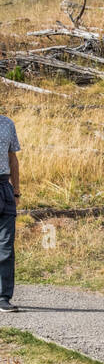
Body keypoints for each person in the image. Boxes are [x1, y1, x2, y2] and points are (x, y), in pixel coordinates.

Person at [0, 111, 20, 313]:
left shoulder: (7, 123)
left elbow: (12, 158)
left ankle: (3, 296)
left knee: (6, 244)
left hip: (4, 187)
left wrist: (16, 190)